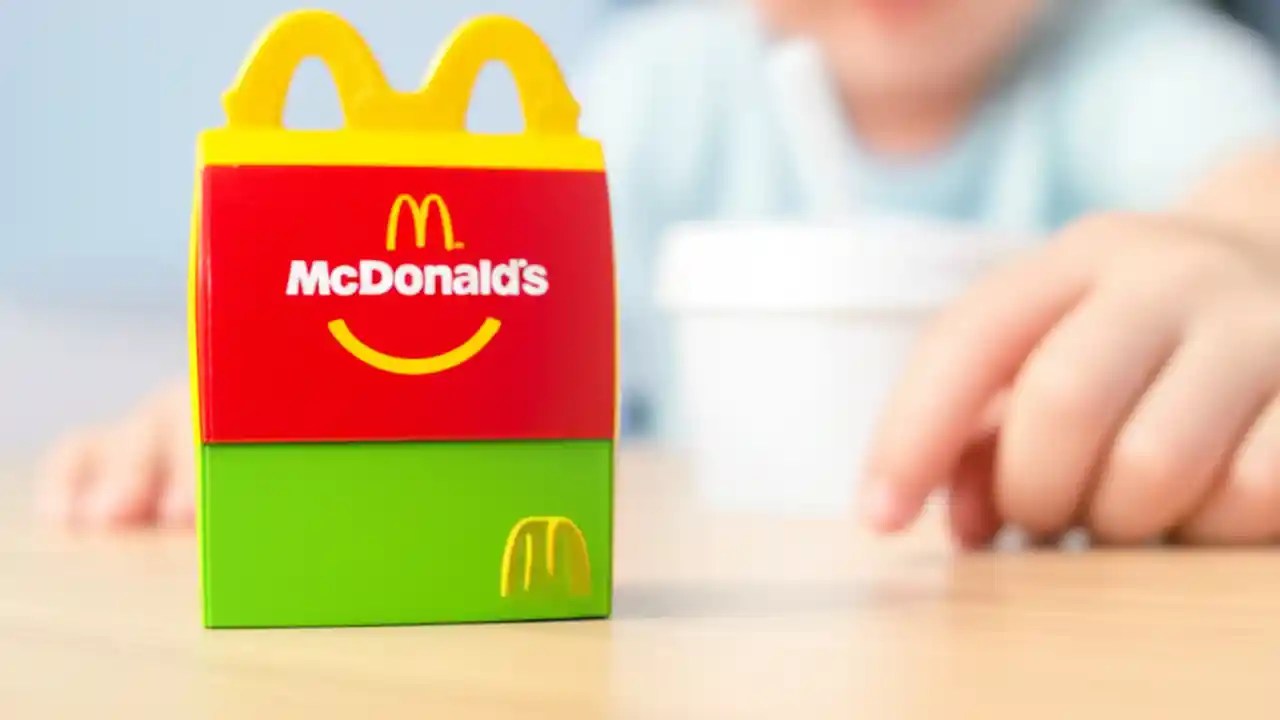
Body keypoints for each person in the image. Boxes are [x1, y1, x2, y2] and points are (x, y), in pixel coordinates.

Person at [38, 0, 1280, 547]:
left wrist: (1240, 257)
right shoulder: (663, 84)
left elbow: (1254, 186)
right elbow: (455, 297)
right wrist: (286, 397)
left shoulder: (1141, 61)